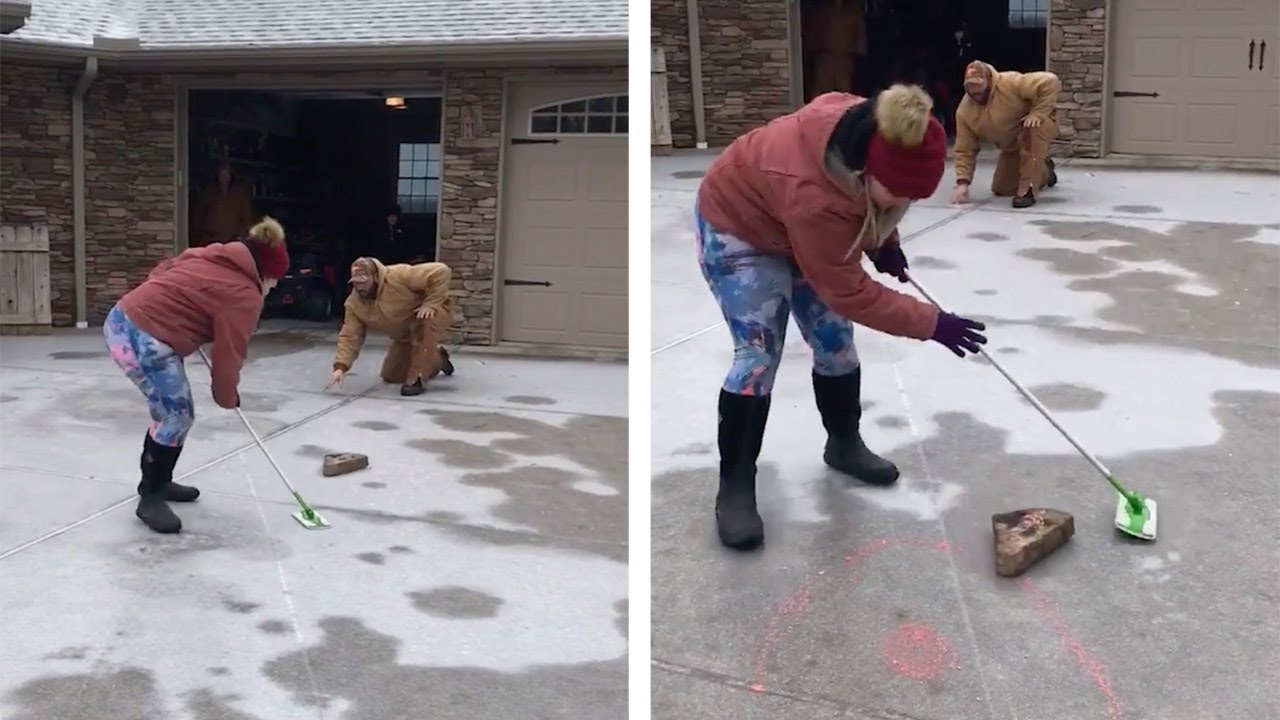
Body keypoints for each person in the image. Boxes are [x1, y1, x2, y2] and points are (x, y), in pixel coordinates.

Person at [693, 84, 989, 551]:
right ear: (864, 167)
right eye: (896, 196)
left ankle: (843, 444)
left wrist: (882, 241)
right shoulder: (814, 195)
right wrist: (932, 323)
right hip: (740, 229)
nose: (900, 206)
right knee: (758, 357)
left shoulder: (879, 130)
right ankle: (734, 487)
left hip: (802, 224)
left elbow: (871, 204)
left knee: (835, 343)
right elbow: (848, 291)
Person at [104, 217, 290, 535]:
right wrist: (227, 395)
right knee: (175, 414)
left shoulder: (213, 254)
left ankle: (160, 480)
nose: (273, 287)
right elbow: (229, 353)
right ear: (266, 273)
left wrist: (182, 308)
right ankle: (150, 496)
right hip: (142, 337)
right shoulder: (245, 295)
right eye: (275, 280)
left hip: (122, 319)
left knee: (174, 413)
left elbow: (163, 270)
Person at [325, 257, 456, 397]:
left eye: (364, 281)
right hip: (403, 334)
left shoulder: (399, 275)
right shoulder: (354, 303)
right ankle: (438, 359)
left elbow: (441, 270)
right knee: (391, 375)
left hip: (431, 314)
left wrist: (431, 303)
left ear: (375, 277)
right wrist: (340, 367)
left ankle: (417, 379)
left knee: (424, 322)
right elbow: (350, 335)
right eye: (356, 283)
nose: (360, 287)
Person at [949, 60, 1061, 209]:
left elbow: (1050, 81)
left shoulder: (1011, 82)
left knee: (1032, 128)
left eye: (978, 85)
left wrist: (1038, 113)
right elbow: (964, 148)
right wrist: (963, 183)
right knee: (1001, 188)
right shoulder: (964, 112)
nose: (975, 92)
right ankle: (1044, 171)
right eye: (970, 87)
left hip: (1036, 127)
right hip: (1011, 146)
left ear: (989, 80)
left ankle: (1027, 191)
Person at [191, 160, 255, 246]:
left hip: (232, 240)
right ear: (217, 175)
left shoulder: (239, 195)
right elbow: (199, 214)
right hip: (211, 239)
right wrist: (199, 233)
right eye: (221, 174)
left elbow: (246, 217)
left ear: (230, 175)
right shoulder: (209, 193)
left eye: (226, 174)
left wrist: (241, 234)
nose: (224, 177)